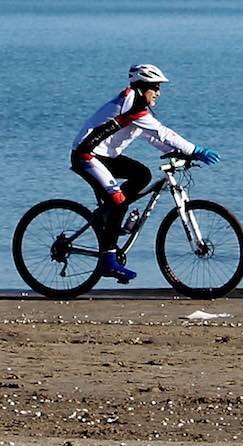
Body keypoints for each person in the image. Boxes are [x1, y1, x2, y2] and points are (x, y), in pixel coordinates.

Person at [70, 63, 220, 283]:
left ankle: (110, 217)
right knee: (119, 201)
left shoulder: (137, 106)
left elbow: (152, 137)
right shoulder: (131, 104)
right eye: (155, 87)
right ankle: (108, 262)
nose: (158, 92)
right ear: (141, 87)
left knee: (142, 175)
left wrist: (179, 153)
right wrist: (195, 150)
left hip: (104, 156)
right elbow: (162, 132)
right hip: (87, 155)